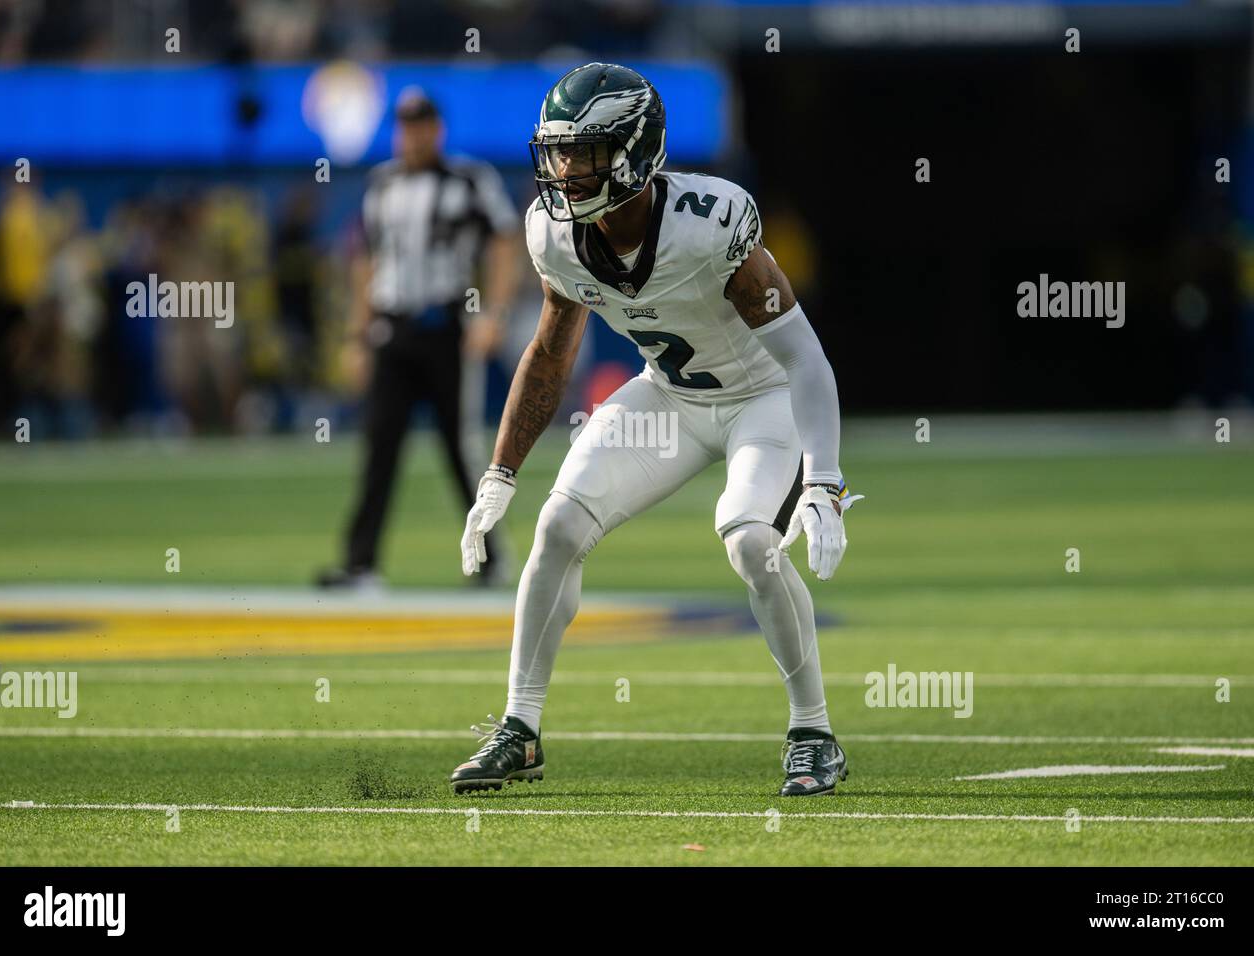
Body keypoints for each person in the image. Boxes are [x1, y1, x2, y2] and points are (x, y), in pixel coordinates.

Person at [449, 63, 862, 797]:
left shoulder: (709, 225)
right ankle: (520, 727)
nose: (566, 169)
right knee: (557, 529)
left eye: (586, 151)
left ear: (637, 153)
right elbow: (548, 353)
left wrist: (825, 482)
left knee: (750, 540)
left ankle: (813, 731)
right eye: (559, 151)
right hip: (669, 398)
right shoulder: (555, 235)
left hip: (762, 399)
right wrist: (501, 471)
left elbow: (804, 357)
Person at [319, 87, 520, 589]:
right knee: (379, 445)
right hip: (392, 328)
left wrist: (492, 313)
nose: (412, 135)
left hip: (445, 328)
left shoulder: (469, 179)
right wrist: (356, 335)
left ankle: (491, 556)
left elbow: (504, 242)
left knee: (461, 447)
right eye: (404, 126)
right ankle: (361, 564)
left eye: (421, 125)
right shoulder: (381, 183)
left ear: (438, 129)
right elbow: (366, 260)